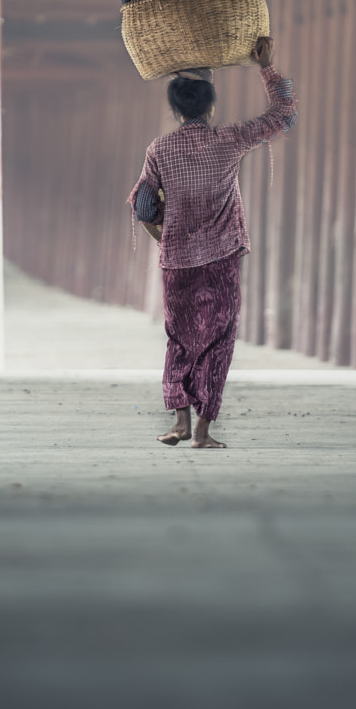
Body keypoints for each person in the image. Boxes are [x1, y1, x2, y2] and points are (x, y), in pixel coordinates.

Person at [127, 35, 296, 449]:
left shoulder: (159, 149)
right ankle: (203, 433)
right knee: (217, 341)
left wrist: (164, 237)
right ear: (211, 107)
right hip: (221, 260)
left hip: (177, 262)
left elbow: (144, 206)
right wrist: (267, 67)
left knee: (179, 337)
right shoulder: (230, 139)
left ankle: (179, 422)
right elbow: (283, 117)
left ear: (175, 109)